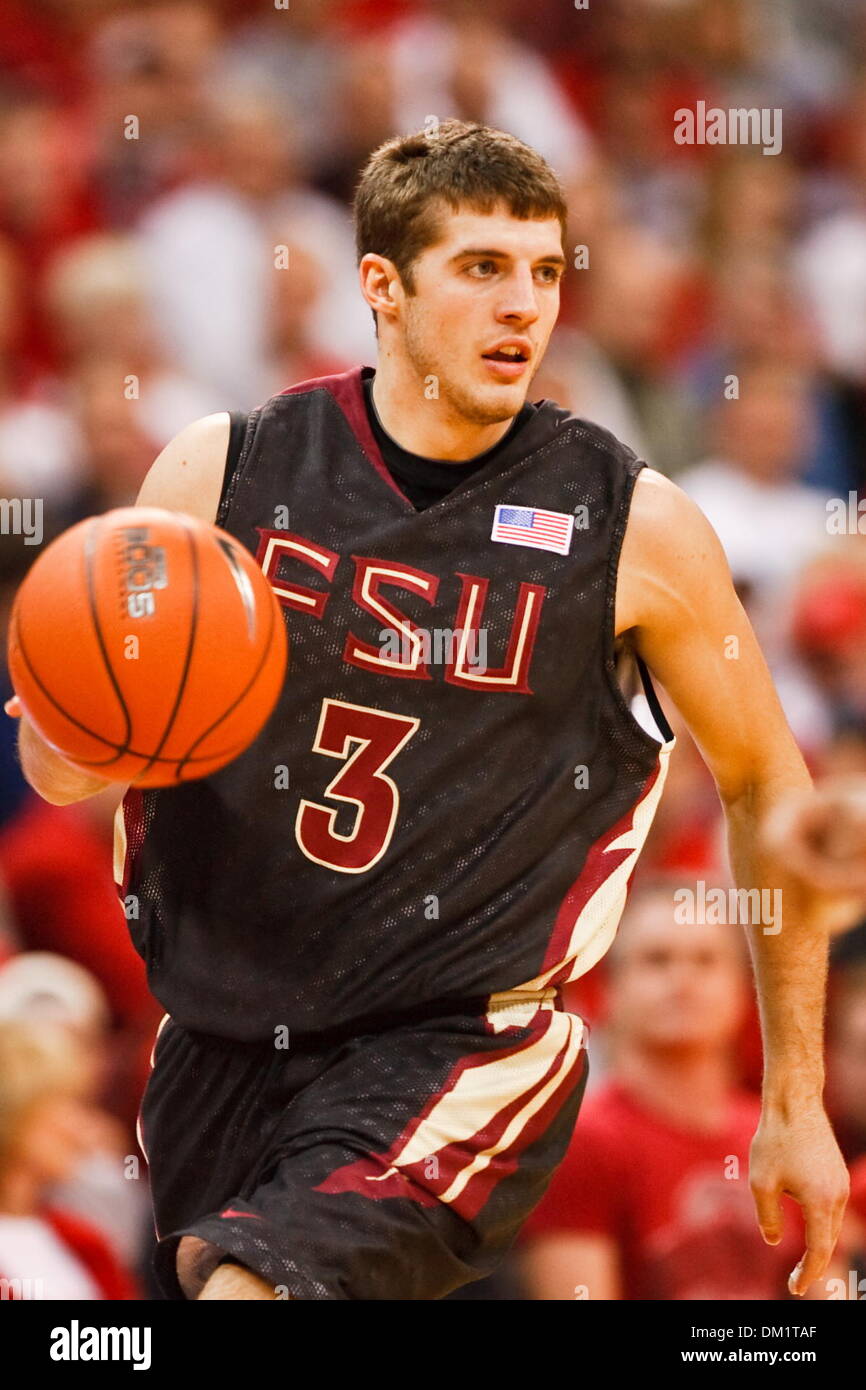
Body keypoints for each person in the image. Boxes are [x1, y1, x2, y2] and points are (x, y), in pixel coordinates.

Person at [7, 120, 849, 1301]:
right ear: (382, 288)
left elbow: (766, 777)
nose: (523, 307)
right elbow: (69, 775)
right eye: (482, 269)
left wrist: (792, 1100)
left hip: (464, 1043)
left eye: (545, 272)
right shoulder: (224, 470)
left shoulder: (630, 524)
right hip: (213, 1043)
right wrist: (67, 721)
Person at [519, 883, 802, 1301]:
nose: (682, 979)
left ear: (745, 991)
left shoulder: (781, 1135)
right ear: (608, 991)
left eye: (706, 961)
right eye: (657, 960)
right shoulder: (581, 1140)